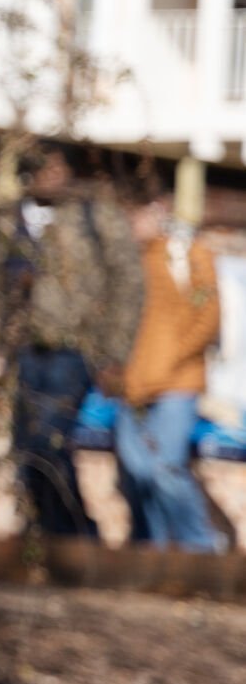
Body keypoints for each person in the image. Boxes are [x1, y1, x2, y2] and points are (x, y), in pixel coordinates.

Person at [0, 143, 143, 537]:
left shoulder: (93, 215)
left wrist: (114, 352)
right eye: (43, 168)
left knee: (47, 441)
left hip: (75, 349)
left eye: (59, 167)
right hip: (24, 347)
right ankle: (50, 533)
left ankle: (72, 533)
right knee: (26, 446)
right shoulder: (7, 218)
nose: (53, 176)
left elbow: (129, 284)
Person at [114, 195, 223, 551]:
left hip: (178, 380)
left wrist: (174, 358)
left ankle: (201, 549)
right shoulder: (125, 261)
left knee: (166, 469)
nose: (134, 223)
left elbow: (208, 316)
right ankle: (152, 550)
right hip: (132, 382)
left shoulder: (189, 254)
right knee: (136, 472)